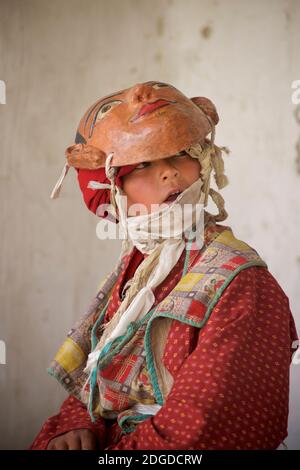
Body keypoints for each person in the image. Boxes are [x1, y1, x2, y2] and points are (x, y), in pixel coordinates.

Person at [30, 81, 298, 450]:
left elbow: (201, 435)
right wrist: (77, 424)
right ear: (111, 190)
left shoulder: (243, 286)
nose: (170, 172)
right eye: (143, 163)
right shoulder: (140, 267)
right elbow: (99, 373)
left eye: (180, 153)